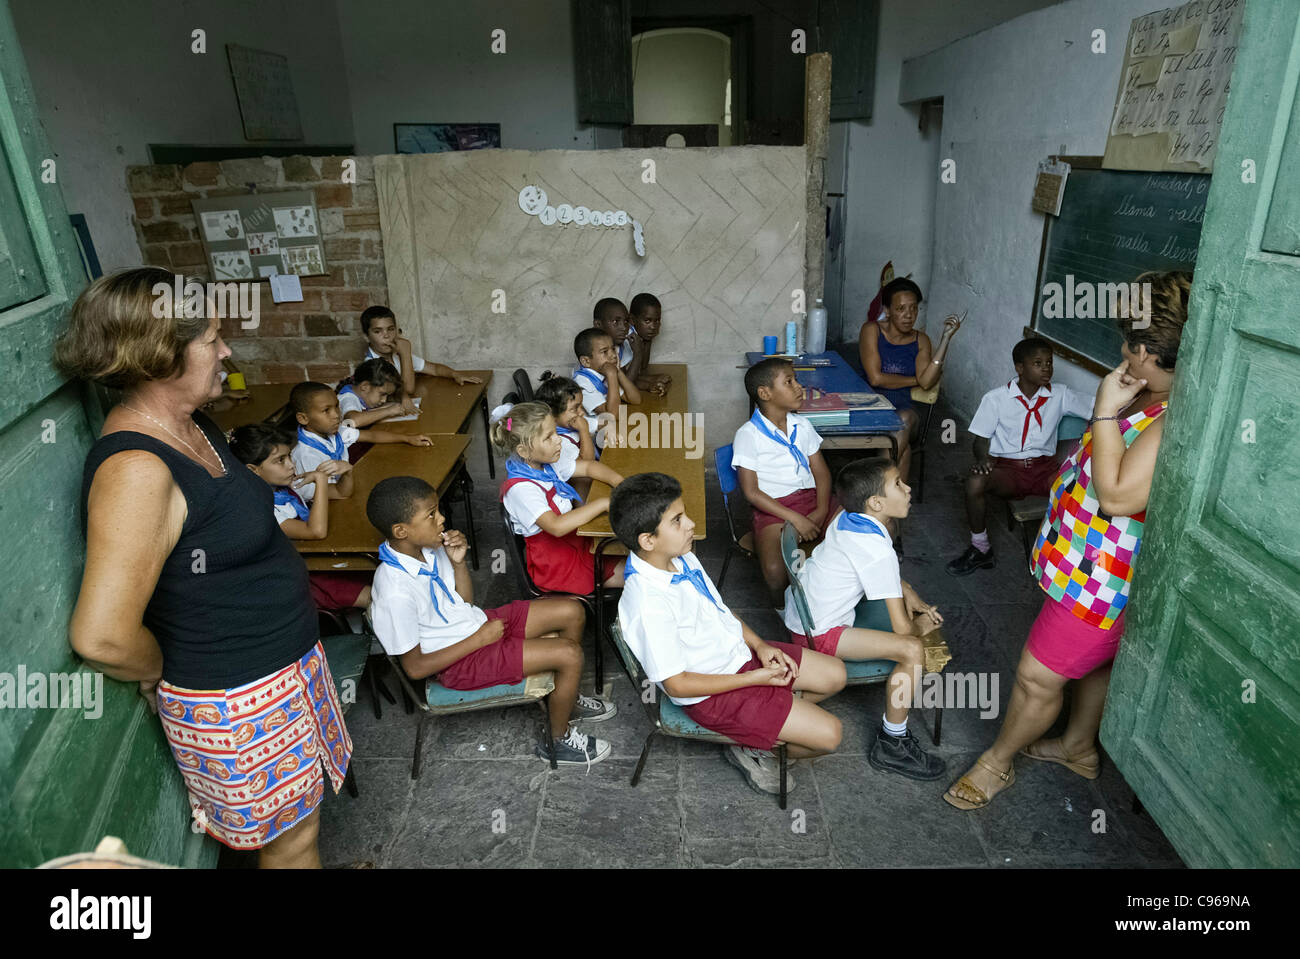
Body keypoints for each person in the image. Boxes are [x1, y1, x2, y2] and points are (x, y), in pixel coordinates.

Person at [57, 267, 349, 867]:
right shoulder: (137, 468)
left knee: (303, 828)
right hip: (239, 695)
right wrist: (156, 670)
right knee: (292, 847)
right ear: (160, 355)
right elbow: (103, 635)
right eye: (212, 339)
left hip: (285, 666)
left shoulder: (196, 426)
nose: (226, 350)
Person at [944, 271, 1191, 810]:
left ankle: (996, 763)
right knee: (1095, 663)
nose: (1123, 353)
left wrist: (1103, 409)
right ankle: (1079, 746)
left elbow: (1119, 497)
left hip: (1102, 581)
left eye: (1128, 343)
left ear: (1148, 351)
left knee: (1036, 677)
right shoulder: (1151, 395)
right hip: (1084, 562)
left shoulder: (1169, 418)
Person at [612, 472, 846, 796]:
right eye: (678, 521)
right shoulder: (647, 603)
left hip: (738, 654)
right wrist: (756, 680)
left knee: (836, 674)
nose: (691, 524)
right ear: (648, 540)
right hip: (713, 693)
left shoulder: (680, 558)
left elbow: (720, 608)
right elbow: (677, 684)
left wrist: (761, 646)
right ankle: (756, 747)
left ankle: (765, 723)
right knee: (831, 735)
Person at [366, 476, 615, 765]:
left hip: (477, 624)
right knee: (569, 654)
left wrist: (458, 563)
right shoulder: (395, 590)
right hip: (458, 661)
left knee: (572, 611)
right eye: (431, 514)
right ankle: (556, 741)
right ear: (401, 530)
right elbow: (415, 668)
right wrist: (480, 639)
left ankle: (565, 697)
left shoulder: (427, 550)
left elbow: (465, 603)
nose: (442, 519)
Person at [784, 458, 946, 779]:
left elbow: (878, 569)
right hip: (819, 632)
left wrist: (906, 588)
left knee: (908, 609)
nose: (908, 488)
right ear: (876, 502)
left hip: (800, 617)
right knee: (913, 650)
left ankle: (790, 699)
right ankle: (892, 742)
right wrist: (924, 627)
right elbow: (903, 632)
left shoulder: (847, 516)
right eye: (898, 484)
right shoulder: (877, 549)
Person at [947, 337, 1094, 575]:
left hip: (1045, 469)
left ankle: (1074, 556)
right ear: (1020, 368)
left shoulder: (1060, 394)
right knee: (974, 482)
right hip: (1009, 471)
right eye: (1038, 363)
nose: (1046, 368)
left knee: (1083, 487)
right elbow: (980, 439)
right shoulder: (996, 399)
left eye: (1049, 362)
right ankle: (980, 548)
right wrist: (983, 459)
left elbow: (1100, 408)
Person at [229, 422, 371, 613]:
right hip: (298, 577)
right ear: (253, 470)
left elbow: (340, 492)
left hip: (317, 559)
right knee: (374, 595)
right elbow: (316, 531)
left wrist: (347, 472)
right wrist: (320, 481)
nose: (291, 465)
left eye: (289, 456)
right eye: (280, 460)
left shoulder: (282, 487)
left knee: (375, 575)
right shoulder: (260, 508)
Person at [732, 357, 836, 607]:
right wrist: (796, 519)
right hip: (774, 508)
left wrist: (821, 510)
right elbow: (752, 492)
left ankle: (837, 602)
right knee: (776, 573)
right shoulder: (748, 435)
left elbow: (821, 473)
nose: (798, 386)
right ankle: (787, 615)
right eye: (789, 382)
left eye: (796, 380)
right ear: (765, 393)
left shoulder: (802, 424)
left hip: (813, 498)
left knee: (856, 530)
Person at [495, 401, 625, 595]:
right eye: (548, 437)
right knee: (642, 569)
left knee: (640, 556)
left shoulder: (546, 464)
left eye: (555, 432)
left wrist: (620, 482)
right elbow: (555, 526)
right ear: (524, 451)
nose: (559, 441)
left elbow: (589, 467)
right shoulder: (521, 489)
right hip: (559, 566)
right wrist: (603, 503)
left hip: (577, 545)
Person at [858, 277, 963, 486]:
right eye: (901, 309)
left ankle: (878, 490)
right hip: (871, 408)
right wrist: (916, 379)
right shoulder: (872, 330)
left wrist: (945, 339)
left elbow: (928, 382)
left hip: (905, 408)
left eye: (914, 309)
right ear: (887, 310)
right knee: (902, 447)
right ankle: (894, 507)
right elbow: (875, 378)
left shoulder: (920, 340)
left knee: (903, 420)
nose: (908, 316)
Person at [289, 381, 432, 500]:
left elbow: (371, 436)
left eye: (337, 406)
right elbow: (338, 493)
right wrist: (347, 473)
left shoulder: (334, 432)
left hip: (347, 488)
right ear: (303, 418)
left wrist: (407, 438)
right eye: (326, 410)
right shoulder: (306, 455)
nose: (336, 415)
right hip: (331, 505)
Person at [359, 304, 483, 413]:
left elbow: (434, 369)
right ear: (366, 336)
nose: (386, 336)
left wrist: (454, 374)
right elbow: (408, 389)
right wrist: (405, 352)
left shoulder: (396, 354)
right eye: (377, 331)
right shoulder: (370, 365)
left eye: (391, 329)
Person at [572, 327, 641, 451]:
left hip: (610, 433)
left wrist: (618, 372)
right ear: (586, 361)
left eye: (613, 349)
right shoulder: (582, 382)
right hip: (593, 444)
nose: (613, 355)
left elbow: (635, 399)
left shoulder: (603, 373)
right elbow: (611, 416)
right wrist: (612, 375)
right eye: (604, 352)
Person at [535, 372, 598, 497]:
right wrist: (584, 431)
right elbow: (588, 465)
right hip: (581, 497)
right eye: (575, 408)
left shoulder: (571, 423)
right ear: (552, 414)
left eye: (581, 406)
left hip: (592, 482)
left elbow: (601, 424)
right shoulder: (558, 442)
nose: (581, 413)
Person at [336, 357, 406, 428]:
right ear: (365, 386)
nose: (384, 400)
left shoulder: (360, 396)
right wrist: (388, 411)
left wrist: (393, 406)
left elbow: (368, 411)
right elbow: (353, 421)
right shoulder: (348, 398)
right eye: (382, 394)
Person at [626, 292, 671, 396]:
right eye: (647, 321)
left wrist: (648, 340)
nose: (653, 326)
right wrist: (650, 381)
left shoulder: (639, 335)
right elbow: (624, 380)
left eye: (657, 320)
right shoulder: (627, 337)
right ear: (632, 320)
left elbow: (643, 367)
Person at [592, 297, 635, 369]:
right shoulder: (594, 354)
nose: (624, 328)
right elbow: (623, 380)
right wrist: (638, 356)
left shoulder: (616, 346)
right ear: (598, 324)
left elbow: (623, 375)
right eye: (615, 321)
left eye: (626, 321)